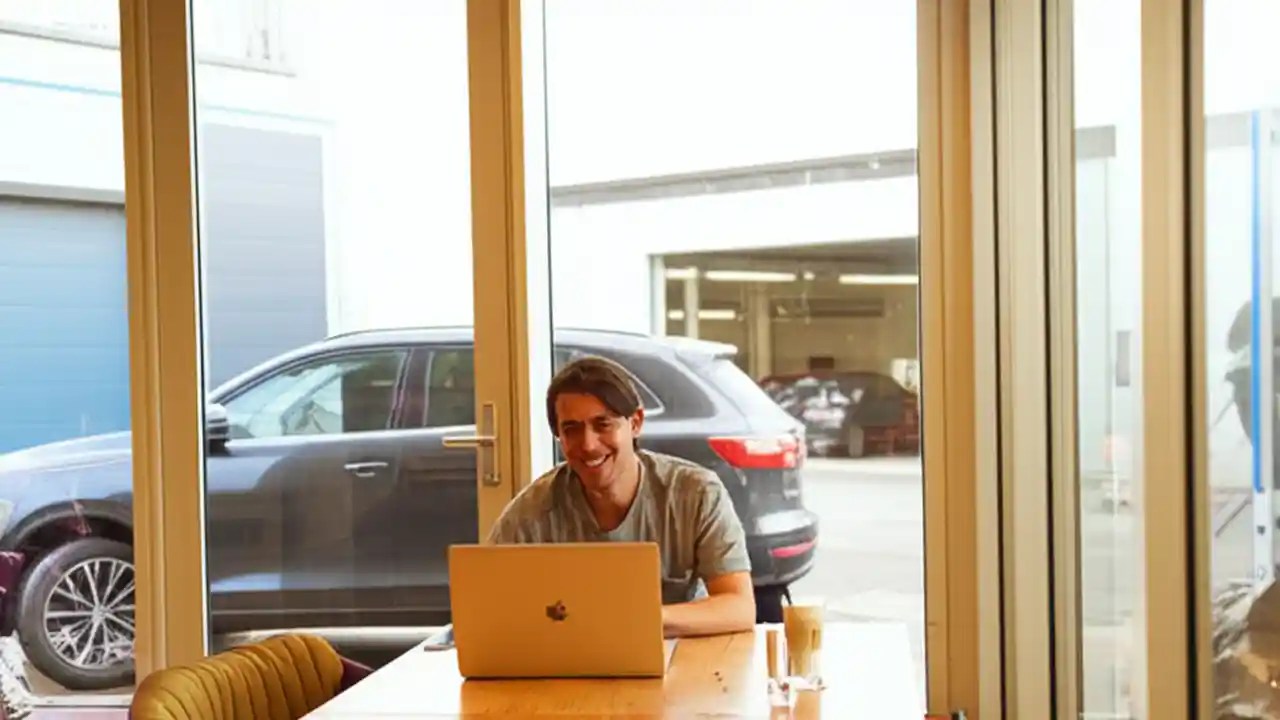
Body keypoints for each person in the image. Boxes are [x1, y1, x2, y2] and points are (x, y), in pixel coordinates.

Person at [486, 355, 756, 638]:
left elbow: (738, 607)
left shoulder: (696, 493)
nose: (588, 445)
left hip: (676, 659)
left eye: (603, 424)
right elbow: (488, 609)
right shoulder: (533, 511)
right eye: (572, 429)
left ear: (636, 422)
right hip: (572, 662)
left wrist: (642, 618)